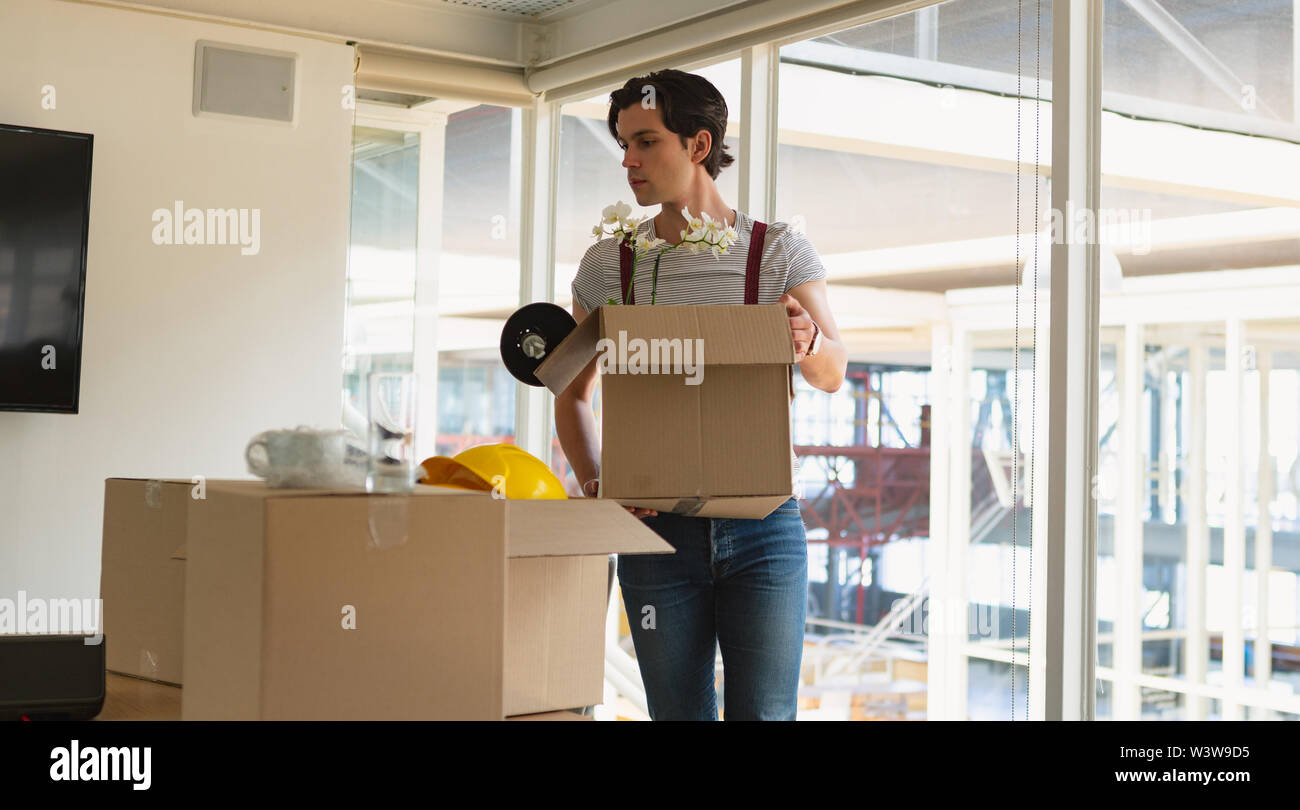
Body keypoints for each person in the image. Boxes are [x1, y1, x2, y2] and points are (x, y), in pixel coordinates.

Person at [555, 69, 847, 721]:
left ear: (697, 144)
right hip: (657, 534)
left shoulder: (776, 253)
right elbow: (573, 393)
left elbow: (833, 372)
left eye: (645, 142)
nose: (627, 160)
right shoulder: (611, 265)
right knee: (677, 714)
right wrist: (599, 480)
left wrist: (807, 343)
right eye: (622, 143)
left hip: (766, 531)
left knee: (765, 714)